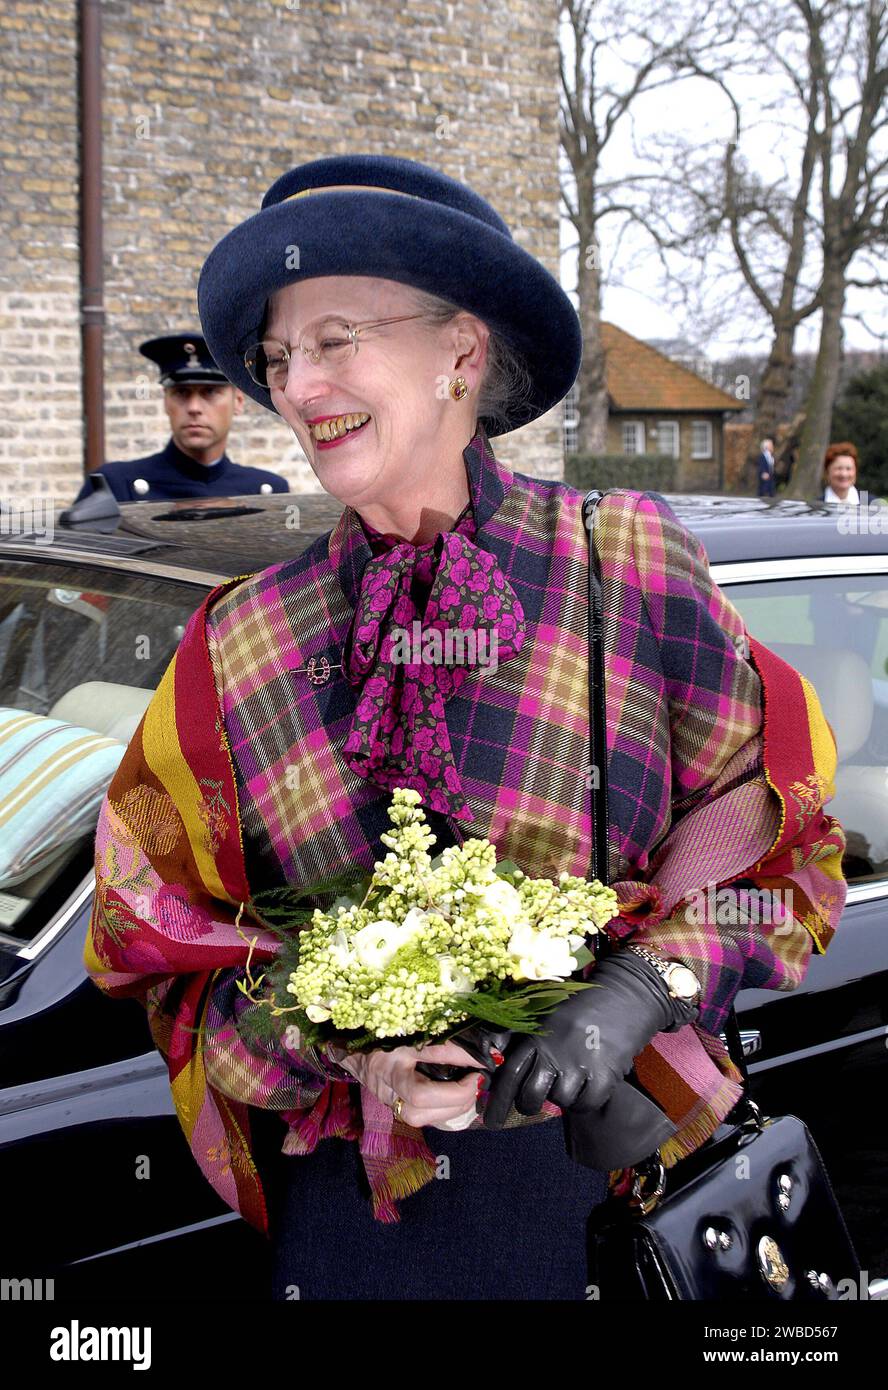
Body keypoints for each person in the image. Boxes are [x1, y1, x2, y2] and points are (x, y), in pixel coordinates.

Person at [83, 155, 848, 1301]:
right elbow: (158, 954)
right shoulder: (234, 646)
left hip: (614, 1189)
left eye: (337, 338)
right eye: (282, 357)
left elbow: (784, 865)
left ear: (460, 352)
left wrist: (634, 993)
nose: (297, 385)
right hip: (360, 1229)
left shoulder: (626, 563)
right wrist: (334, 1041)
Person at [71, 333, 289, 503]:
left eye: (209, 392)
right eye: (181, 393)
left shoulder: (268, 490)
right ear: (166, 402)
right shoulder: (115, 486)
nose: (194, 407)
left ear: (238, 402)